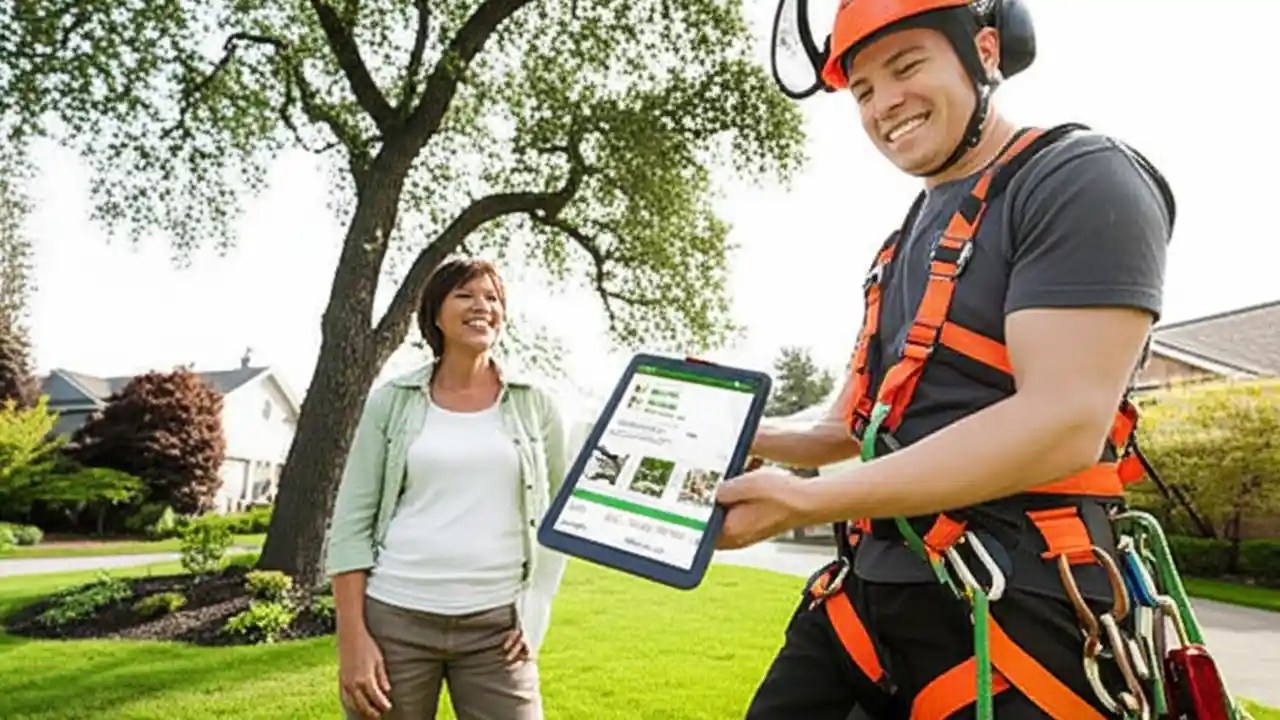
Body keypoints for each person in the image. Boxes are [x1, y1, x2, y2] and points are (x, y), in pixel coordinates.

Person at [715, 1, 1177, 718]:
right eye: (863, 90)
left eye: (906, 66)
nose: (883, 104)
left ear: (986, 52)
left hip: (1017, 598)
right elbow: (854, 425)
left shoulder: (1079, 179)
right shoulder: (901, 242)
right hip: (870, 597)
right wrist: (737, 428)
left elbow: (1063, 421)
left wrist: (805, 500)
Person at [325, 256, 570, 720]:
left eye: (492, 297)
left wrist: (536, 605)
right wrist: (353, 641)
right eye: (465, 295)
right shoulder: (391, 401)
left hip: (497, 630)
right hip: (395, 619)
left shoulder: (536, 404)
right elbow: (351, 524)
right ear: (435, 312)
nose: (482, 306)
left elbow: (562, 515)